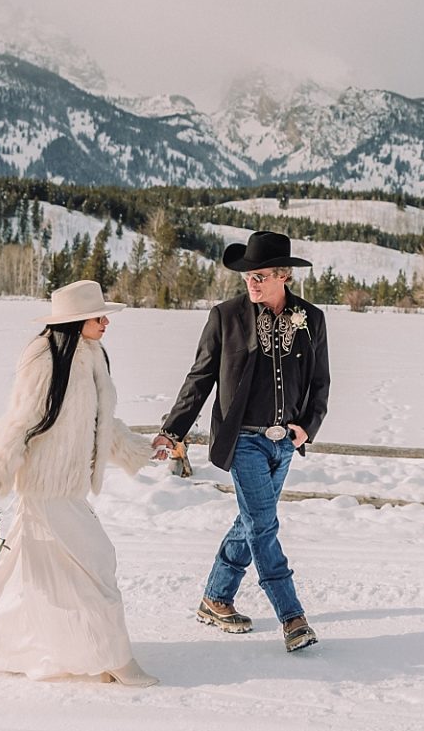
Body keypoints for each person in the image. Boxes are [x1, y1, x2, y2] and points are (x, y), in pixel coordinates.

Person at [0, 280, 160, 687]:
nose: (105, 322)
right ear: (76, 320)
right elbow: (21, 419)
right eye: (98, 316)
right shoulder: (44, 357)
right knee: (96, 563)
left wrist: (141, 449)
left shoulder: (93, 355)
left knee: (39, 574)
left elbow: (102, 423)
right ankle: (115, 658)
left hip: (71, 487)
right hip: (45, 487)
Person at [154, 230, 330, 653]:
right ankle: (292, 617)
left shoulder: (312, 319)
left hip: (285, 441)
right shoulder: (225, 316)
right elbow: (199, 379)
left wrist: (308, 426)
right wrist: (173, 429)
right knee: (264, 525)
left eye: (262, 275)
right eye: (248, 275)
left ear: (283, 276)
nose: (252, 282)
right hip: (244, 441)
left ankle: (216, 598)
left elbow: (320, 381)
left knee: (250, 522)